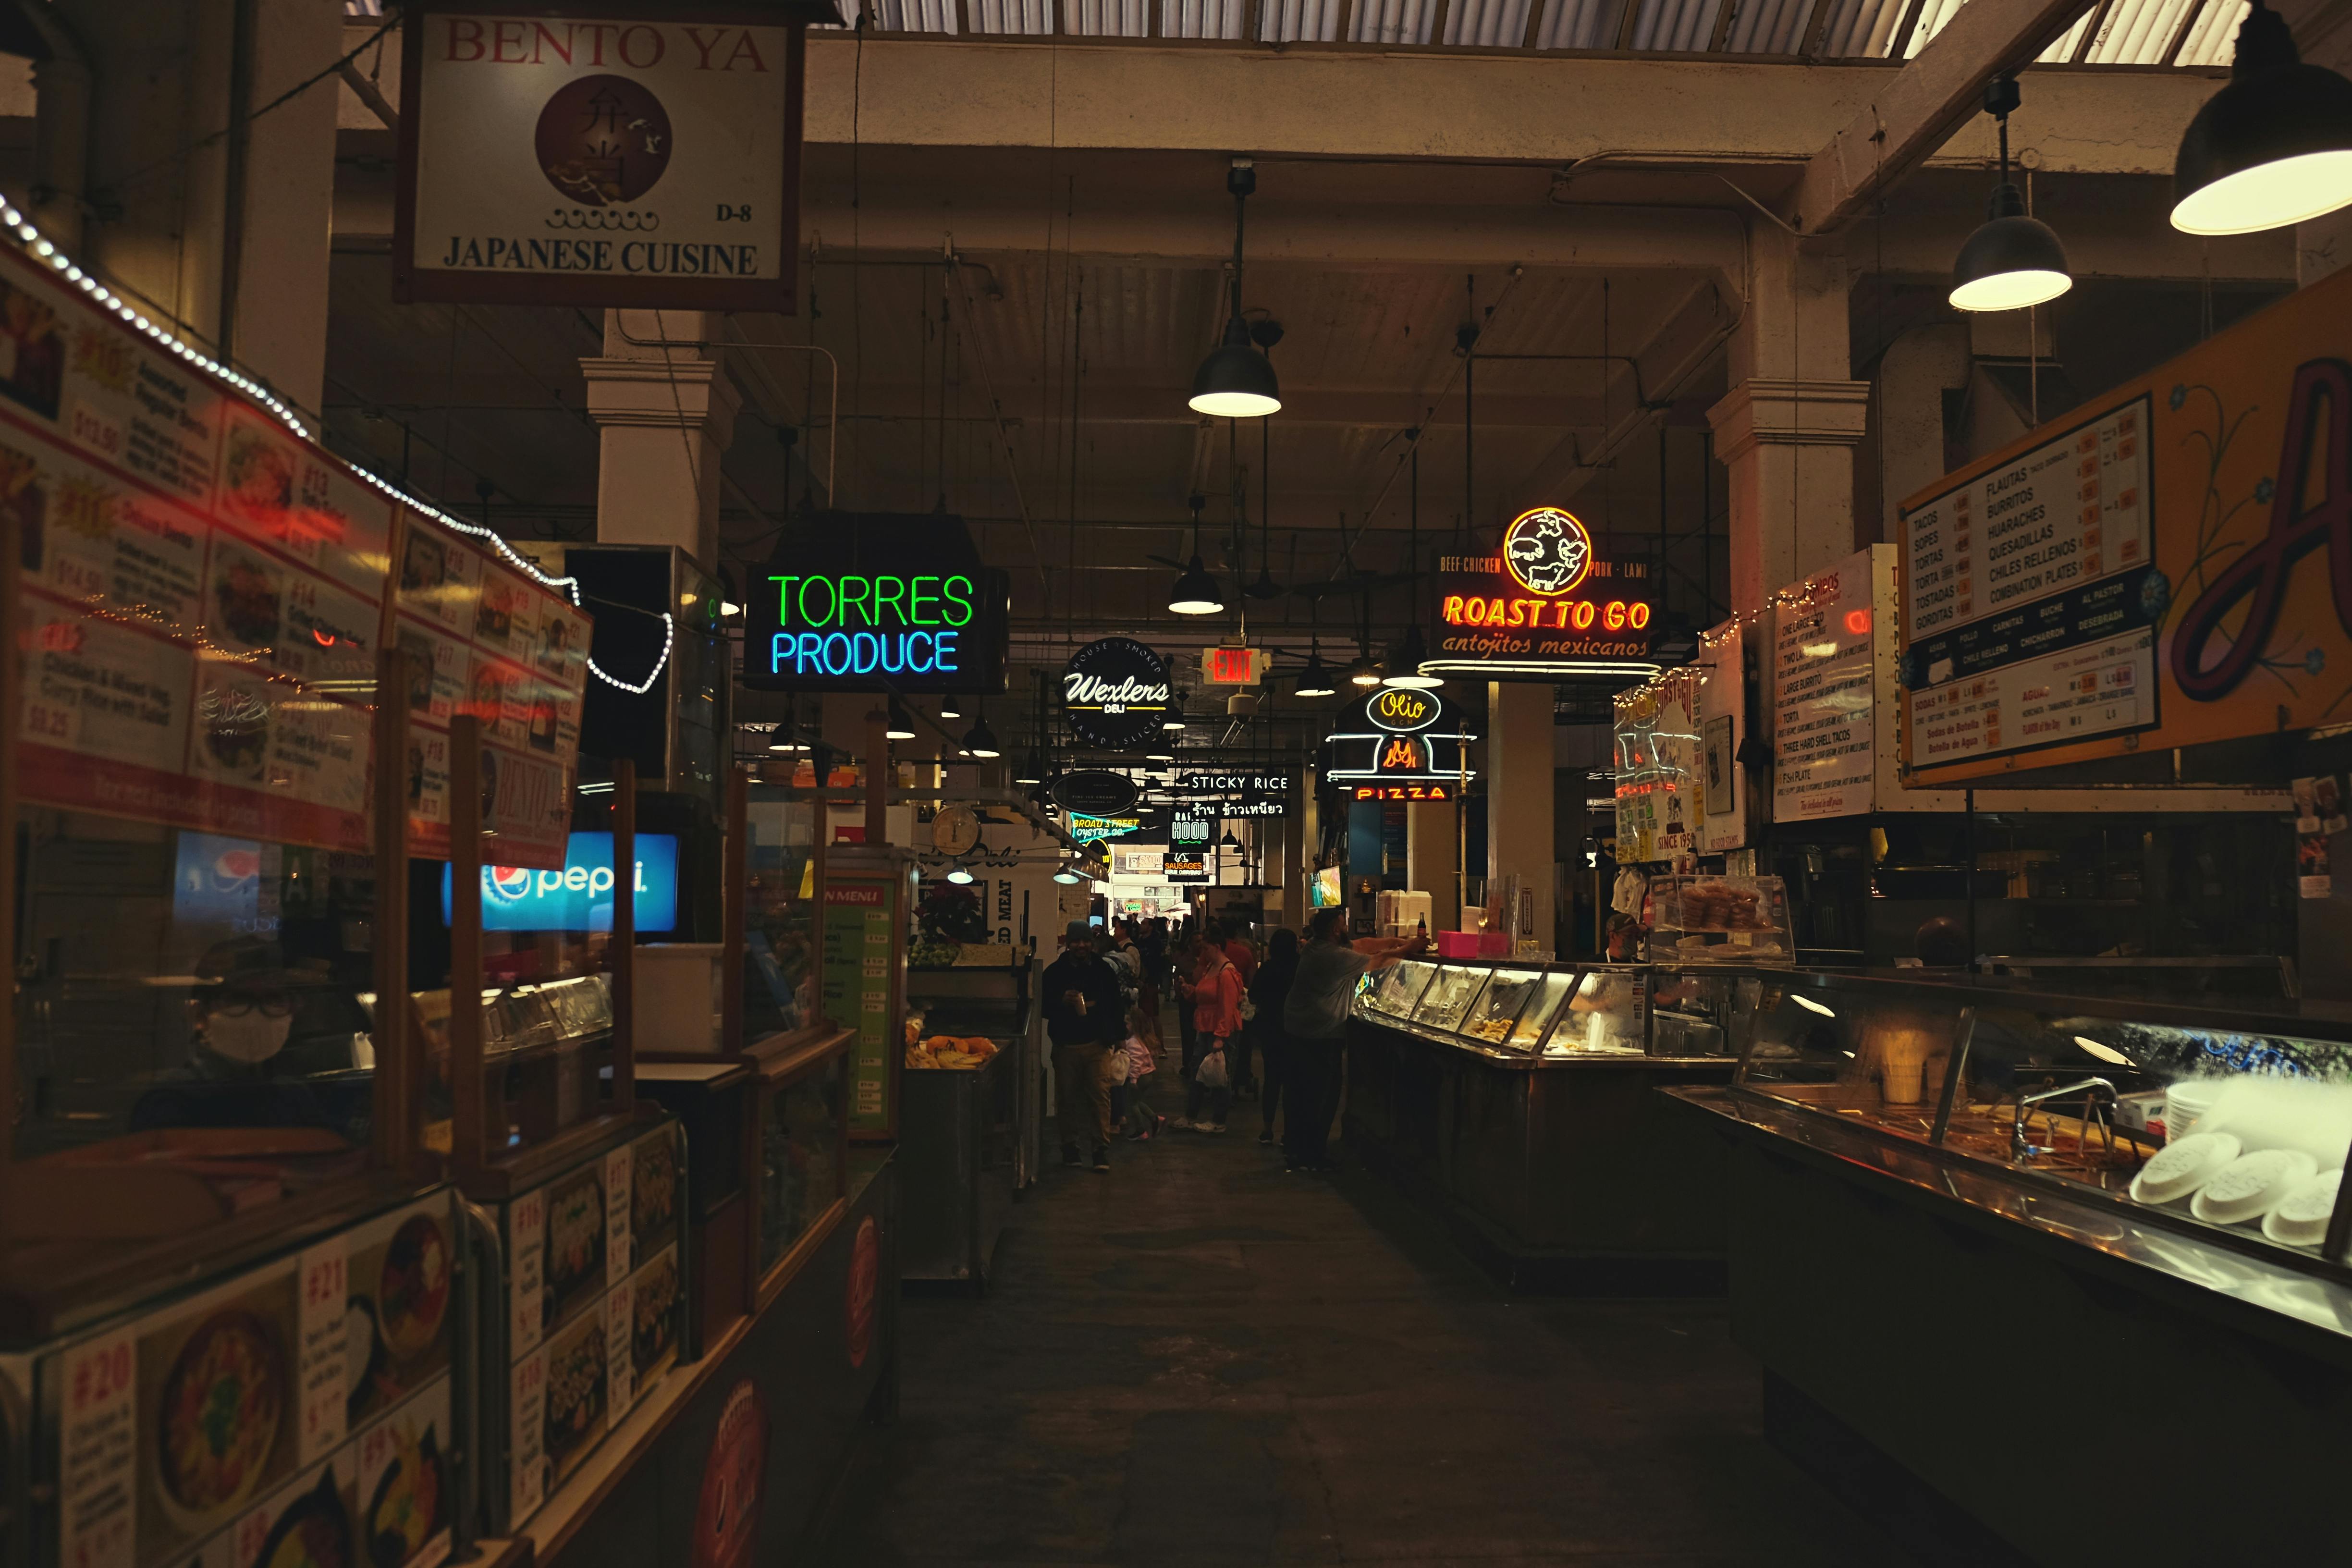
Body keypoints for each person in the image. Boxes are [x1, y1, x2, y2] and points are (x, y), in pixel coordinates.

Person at [1281, 907, 1428, 1172]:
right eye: (1344, 924)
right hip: (1319, 1036)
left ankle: (1296, 1148)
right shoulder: (1332, 957)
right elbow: (1378, 962)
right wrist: (1408, 949)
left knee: (1302, 1093)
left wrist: (1397, 942)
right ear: (1336, 930)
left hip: (1300, 1030)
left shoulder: (1318, 946)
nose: (1348, 927)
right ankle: (1311, 1156)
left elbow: (1362, 945)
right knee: (1321, 1096)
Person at [1042, 919, 1127, 1172]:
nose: (1082, 945)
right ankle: (1071, 1148)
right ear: (1068, 944)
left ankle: (1100, 1150)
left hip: (1097, 1044)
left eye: (1086, 941)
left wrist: (1118, 1037)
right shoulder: (1055, 973)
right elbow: (1043, 1007)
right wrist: (1061, 1001)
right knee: (1067, 1099)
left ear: (1093, 943)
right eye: (1077, 941)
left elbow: (1116, 1005)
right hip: (1066, 1044)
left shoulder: (1103, 970)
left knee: (1100, 1098)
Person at [1176, 938, 1244, 1133]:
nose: (1203, 952)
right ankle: (1191, 1115)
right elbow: (1205, 995)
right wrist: (1192, 992)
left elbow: (1228, 1006)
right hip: (1206, 1028)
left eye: (1206, 948)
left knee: (1220, 1075)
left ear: (1217, 946)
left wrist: (1220, 1036)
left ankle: (1218, 1120)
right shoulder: (1211, 969)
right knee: (1198, 1071)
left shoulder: (1226, 973)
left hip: (1219, 1030)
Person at [1247, 927, 1301, 1146]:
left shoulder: (1268, 969)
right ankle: (1290, 1132)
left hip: (1270, 1030)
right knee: (1292, 1083)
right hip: (1295, 1030)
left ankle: (1267, 1128)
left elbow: (1253, 996)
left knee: (1272, 1080)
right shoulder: (1300, 968)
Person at [1120, 1003, 1165, 1140]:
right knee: (1137, 1101)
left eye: (1127, 1023)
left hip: (1140, 1077)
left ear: (1134, 1024)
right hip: (1147, 1075)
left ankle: (1141, 1130)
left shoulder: (1133, 1043)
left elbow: (1135, 1063)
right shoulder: (1141, 1040)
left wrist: (1133, 1080)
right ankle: (1155, 1119)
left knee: (1132, 1104)